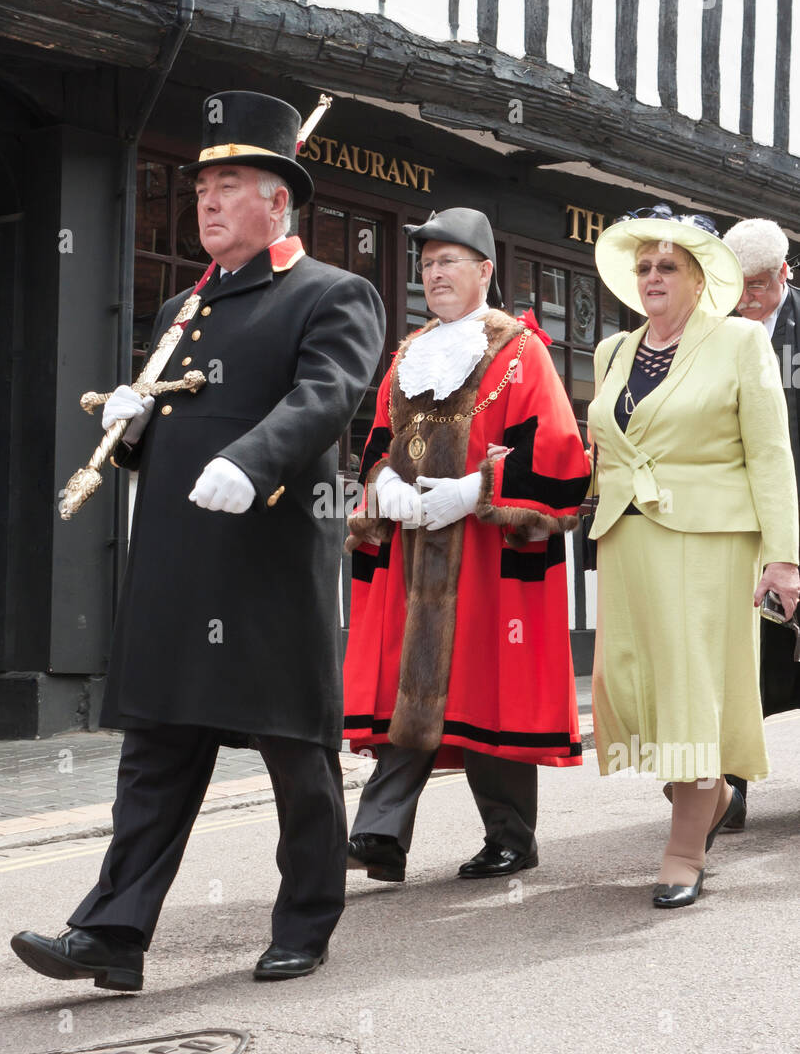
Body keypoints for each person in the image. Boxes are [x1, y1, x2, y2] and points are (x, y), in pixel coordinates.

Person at [11, 91, 385, 987]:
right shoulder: (185, 304)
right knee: (156, 753)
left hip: (267, 559)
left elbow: (327, 395)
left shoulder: (333, 293)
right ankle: (113, 934)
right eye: (202, 189)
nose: (208, 203)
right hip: (179, 559)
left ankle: (304, 921)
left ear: (278, 202)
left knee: (295, 753)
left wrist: (254, 460)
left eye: (231, 185)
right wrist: (137, 428)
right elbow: (171, 422)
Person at [343, 208, 591, 883]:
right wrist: (383, 483)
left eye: (448, 261)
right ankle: (380, 835)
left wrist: (479, 488)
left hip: (487, 558)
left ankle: (512, 838)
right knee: (411, 687)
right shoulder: (409, 352)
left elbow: (561, 456)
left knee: (489, 690)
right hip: (416, 550)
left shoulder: (522, 351)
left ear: (485, 271)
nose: (434, 274)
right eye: (426, 265)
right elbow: (377, 444)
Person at [588, 205, 799, 909]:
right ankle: (697, 804)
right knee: (638, 683)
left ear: (700, 277)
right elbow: (603, 452)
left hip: (710, 543)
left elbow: (771, 456)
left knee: (691, 686)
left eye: (666, 265)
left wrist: (784, 558)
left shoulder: (741, 342)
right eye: (643, 265)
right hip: (627, 541)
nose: (651, 276)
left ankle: (684, 849)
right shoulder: (612, 353)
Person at [719, 218, 800, 826]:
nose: (746, 296)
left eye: (758, 285)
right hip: (738, 518)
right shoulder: (713, 332)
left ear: (784, 275)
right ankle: (729, 793)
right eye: (736, 284)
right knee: (738, 657)